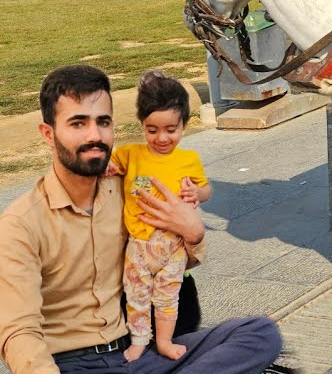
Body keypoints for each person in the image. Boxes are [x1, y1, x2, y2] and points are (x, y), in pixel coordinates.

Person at [0, 65, 282, 374]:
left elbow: (166, 254)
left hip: (135, 354)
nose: (94, 135)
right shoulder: (21, 224)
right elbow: (18, 332)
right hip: (72, 364)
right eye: (78, 123)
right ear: (48, 134)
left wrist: (193, 233)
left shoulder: (131, 190)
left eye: (103, 122)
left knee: (259, 334)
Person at [102, 72, 211, 361]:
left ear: (184, 125)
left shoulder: (188, 160)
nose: (161, 138)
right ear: (142, 125)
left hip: (173, 245)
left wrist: (196, 195)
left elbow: (205, 188)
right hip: (139, 242)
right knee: (136, 295)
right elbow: (108, 164)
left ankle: (163, 341)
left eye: (171, 130)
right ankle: (139, 339)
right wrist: (109, 168)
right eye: (152, 130)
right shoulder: (130, 154)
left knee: (167, 298)